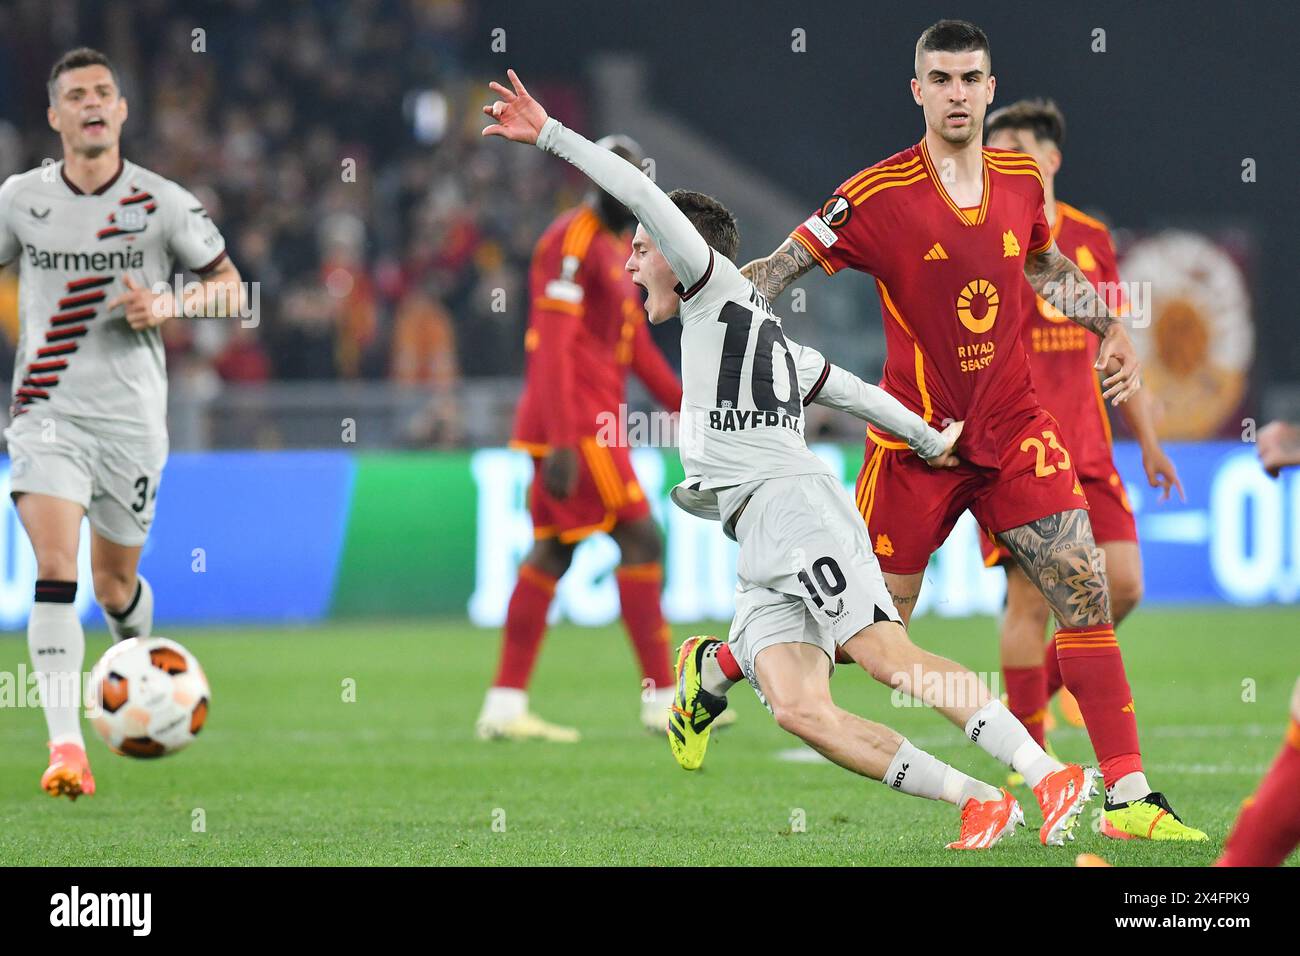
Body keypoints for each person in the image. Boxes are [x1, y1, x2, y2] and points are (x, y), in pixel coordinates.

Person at [482, 68, 1099, 849]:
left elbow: (639, 195)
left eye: (644, 252)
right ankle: (982, 799)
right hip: (760, 532)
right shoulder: (752, 328)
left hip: (795, 510)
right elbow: (838, 384)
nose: (633, 264)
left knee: (884, 655)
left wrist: (548, 135)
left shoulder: (709, 288)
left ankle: (1048, 775)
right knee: (800, 707)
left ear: (684, 252)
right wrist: (926, 436)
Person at [737, 19, 1204, 842]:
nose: (958, 93)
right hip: (914, 445)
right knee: (865, 645)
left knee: (1083, 589)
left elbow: (1044, 265)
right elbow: (776, 272)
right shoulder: (874, 195)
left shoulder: (1022, 178)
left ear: (991, 89)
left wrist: (1111, 329)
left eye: (971, 79)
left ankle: (1129, 798)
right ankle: (729, 659)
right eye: (942, 79)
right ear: (918, 91)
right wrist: (710, 298)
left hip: (1015, 428)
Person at [0, 48, 242, 799]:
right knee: (56, 569)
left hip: (131, 423)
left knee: (112, 584)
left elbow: (235, 292)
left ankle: (138, 670)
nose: (92, 104)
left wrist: (170, 305)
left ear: (123, 110)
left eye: (104, 91)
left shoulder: (164, 203)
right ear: (56, 116)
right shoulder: (19, 199)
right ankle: (67, 748)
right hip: (46, 414)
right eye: (76, 95)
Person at [980, 100, 1184, 796]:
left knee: (1123, 584)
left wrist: (1150, 443)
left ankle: (1058, 679)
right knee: (1029, 605)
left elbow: (1119, 350)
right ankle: (1033, 762)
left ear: (1051, 159)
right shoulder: (990, 237)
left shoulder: (1093, 239)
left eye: (1016, 150)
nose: (1003, 162)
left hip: (1092, 451)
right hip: (1022, 452)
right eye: (994, 151)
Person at [476, 134, 688, 740]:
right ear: (594, 179)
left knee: (554, 551)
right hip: (579, 428)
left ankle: (504, 704)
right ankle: (661, 700)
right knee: (643, 538)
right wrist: (563, 440)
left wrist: (687, 411)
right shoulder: (568, 243)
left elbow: (634, 348)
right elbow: (552, 346)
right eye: (615, 175)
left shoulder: (621, 249)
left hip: (592, 425)